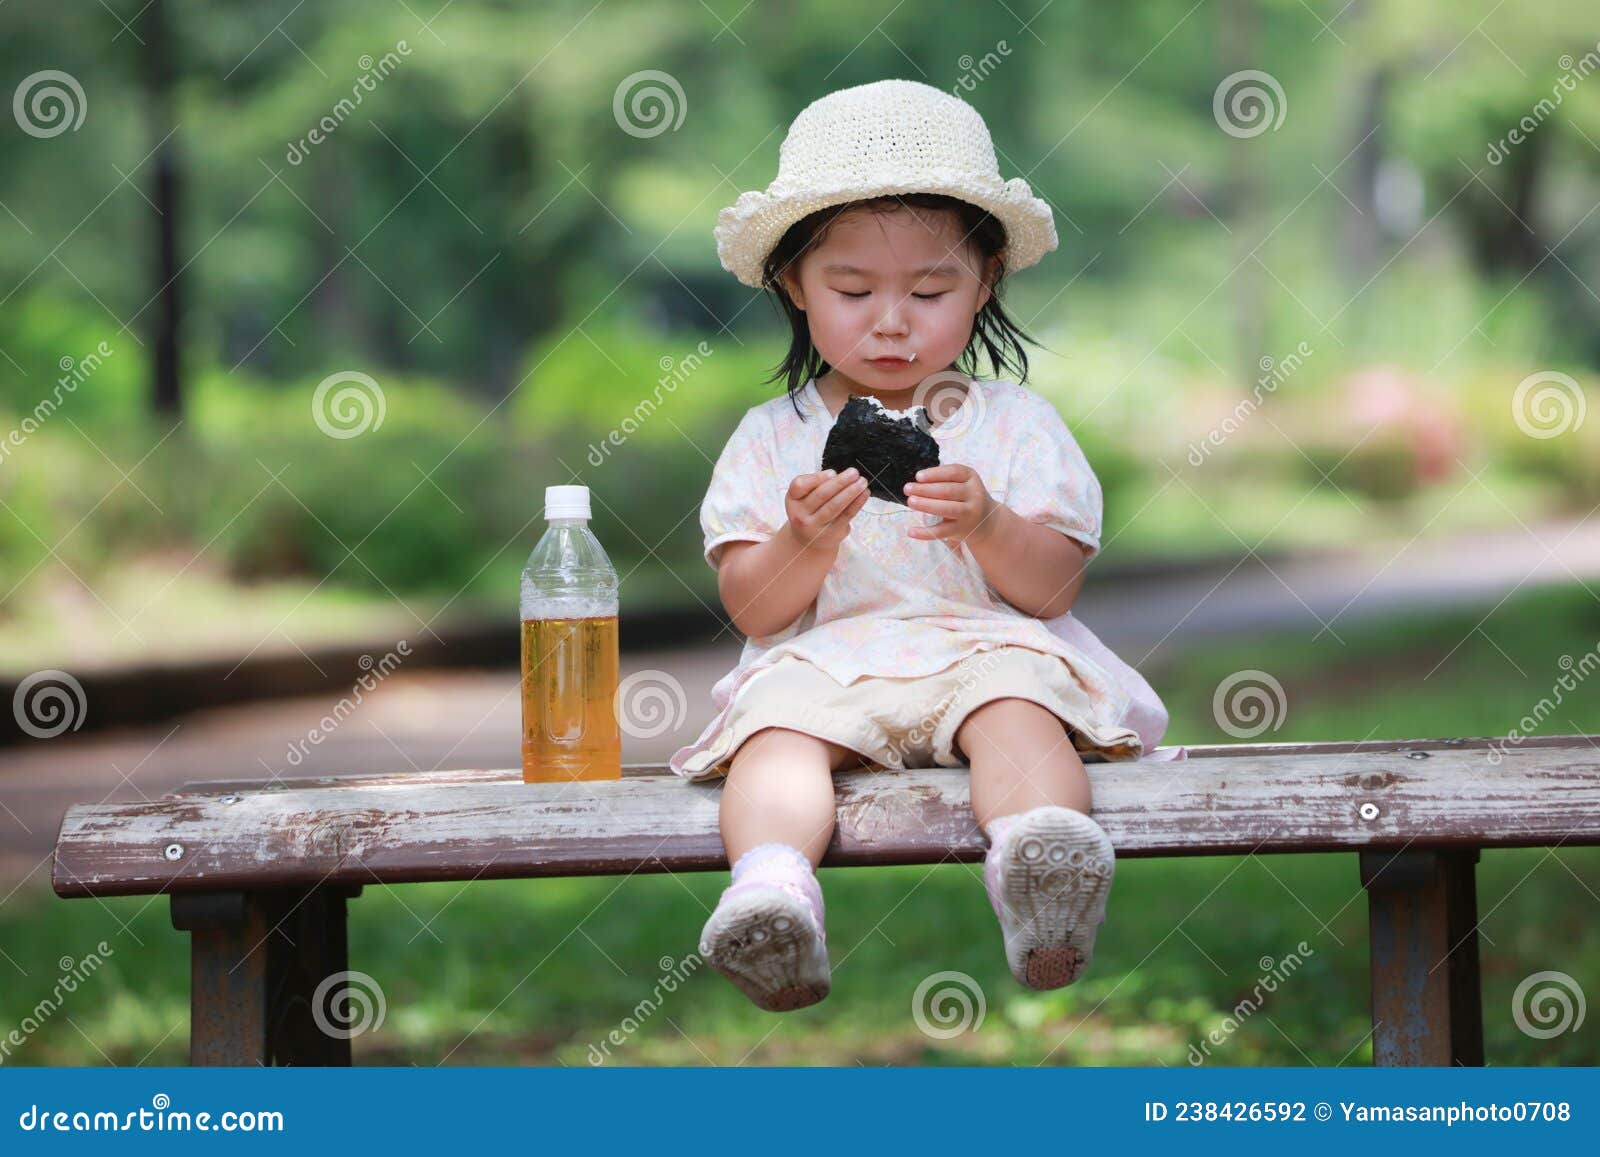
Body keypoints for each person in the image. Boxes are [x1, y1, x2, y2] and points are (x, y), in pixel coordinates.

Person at [668, 78, 1187, 1013]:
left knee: (1019, 708)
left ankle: (1040, 861)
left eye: (931, 289)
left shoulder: (1017, 425)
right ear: (794, 284)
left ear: (986, 281)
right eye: (853, 289)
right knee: (775, 737)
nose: (892, 319)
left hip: (985, 652)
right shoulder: (769, 438)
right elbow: (754, 608)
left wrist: (989, 524)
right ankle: (772, 890)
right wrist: (801, 540)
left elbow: (1053, 591)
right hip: (826, 666)